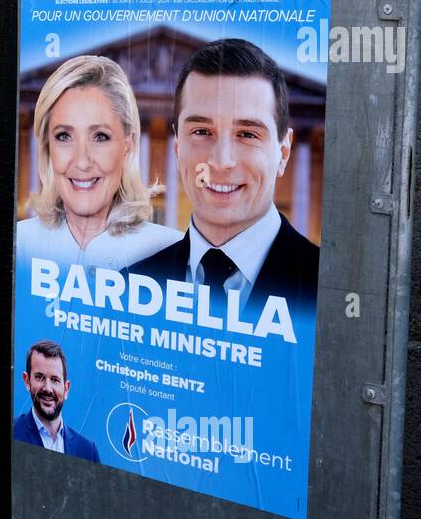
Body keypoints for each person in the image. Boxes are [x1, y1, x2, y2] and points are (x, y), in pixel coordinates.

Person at [130, 38, 319, 315]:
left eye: (247, 134)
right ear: (178, 148)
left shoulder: (326, 292)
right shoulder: (129, 284)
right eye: (202, 132)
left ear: (284, 152)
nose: (220, 161)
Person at [16, 55, 180, 276]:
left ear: (128, 145)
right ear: (47, 147)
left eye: (100, 137)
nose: (82, 161)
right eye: (64, 136)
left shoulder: (173, 256)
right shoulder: (17, 246)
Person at [12, 340, 100, 461]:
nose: (47, 388)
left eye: (55, 380)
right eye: (40, 377)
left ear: (66, 389)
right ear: (27, 381)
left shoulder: (88, 451)